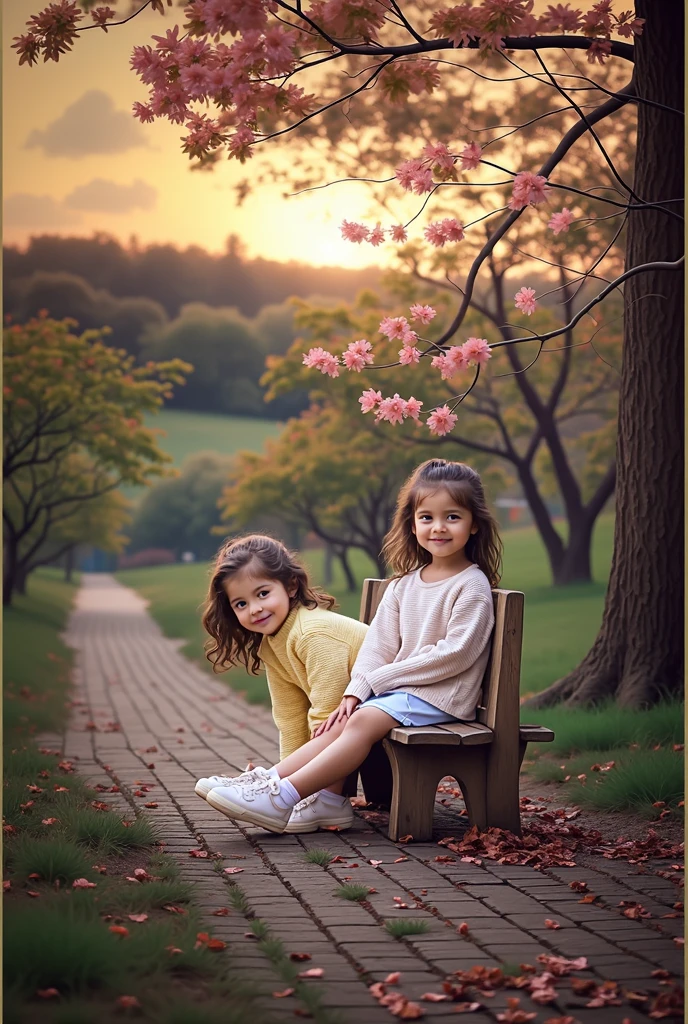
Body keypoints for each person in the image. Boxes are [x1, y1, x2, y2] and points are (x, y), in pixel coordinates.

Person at [205, 459, 503, 834]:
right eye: (426, 517)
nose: (438, 527)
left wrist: (379, 682)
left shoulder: (470, 585)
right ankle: (283, 788)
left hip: (443, 694)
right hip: (405, 694)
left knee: (360, 720)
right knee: (342, 720)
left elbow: (456, 653)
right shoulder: (402, 585)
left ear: (473, 523)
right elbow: (377, 646)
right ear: (412, 522)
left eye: (452, 517)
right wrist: (356, 690)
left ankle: (283, 797)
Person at [195, 534, 368, 832]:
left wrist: (303, 788)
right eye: (241, 603)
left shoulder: (313, 633)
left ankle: (305, 795)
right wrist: (297, 793)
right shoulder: (272, 643)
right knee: (323, 721)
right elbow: (290, 720)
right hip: (360, 709)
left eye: (263, 593)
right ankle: (278, 790)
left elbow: (326, 715)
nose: (254, 609)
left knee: (332, 720)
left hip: (398, 694)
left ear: (290, 585)